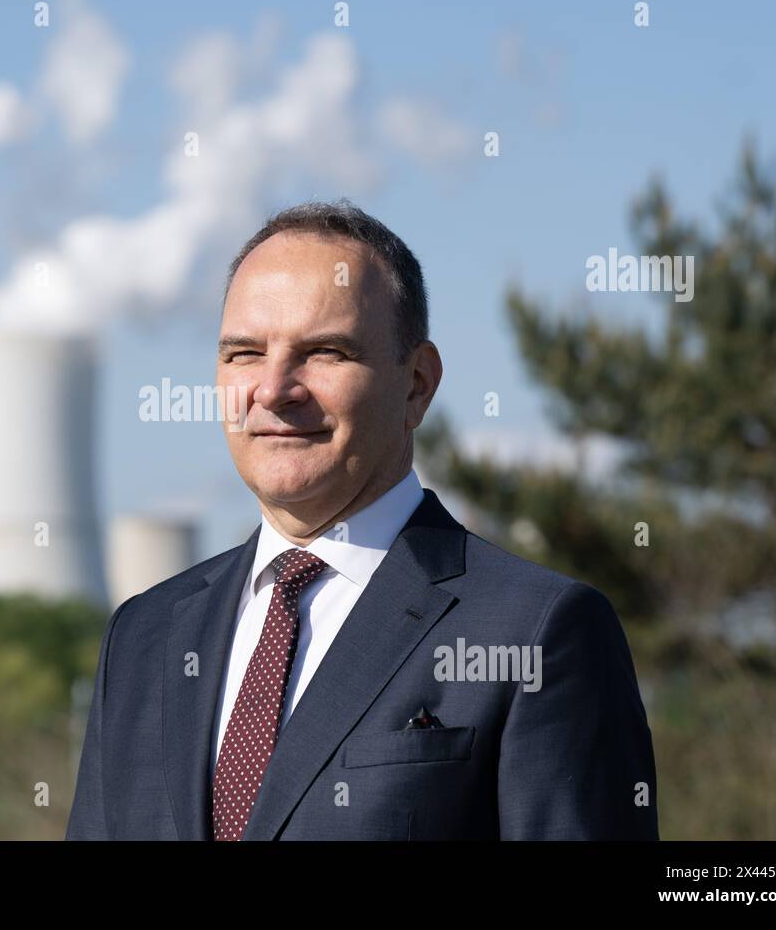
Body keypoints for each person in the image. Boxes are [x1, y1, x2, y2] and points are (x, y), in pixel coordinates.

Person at [66, 200, 659, 840]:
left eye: (325, 351)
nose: (273, 388)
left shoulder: (537, 631)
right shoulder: (144, 636)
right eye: (244, 354)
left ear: (416, 385)